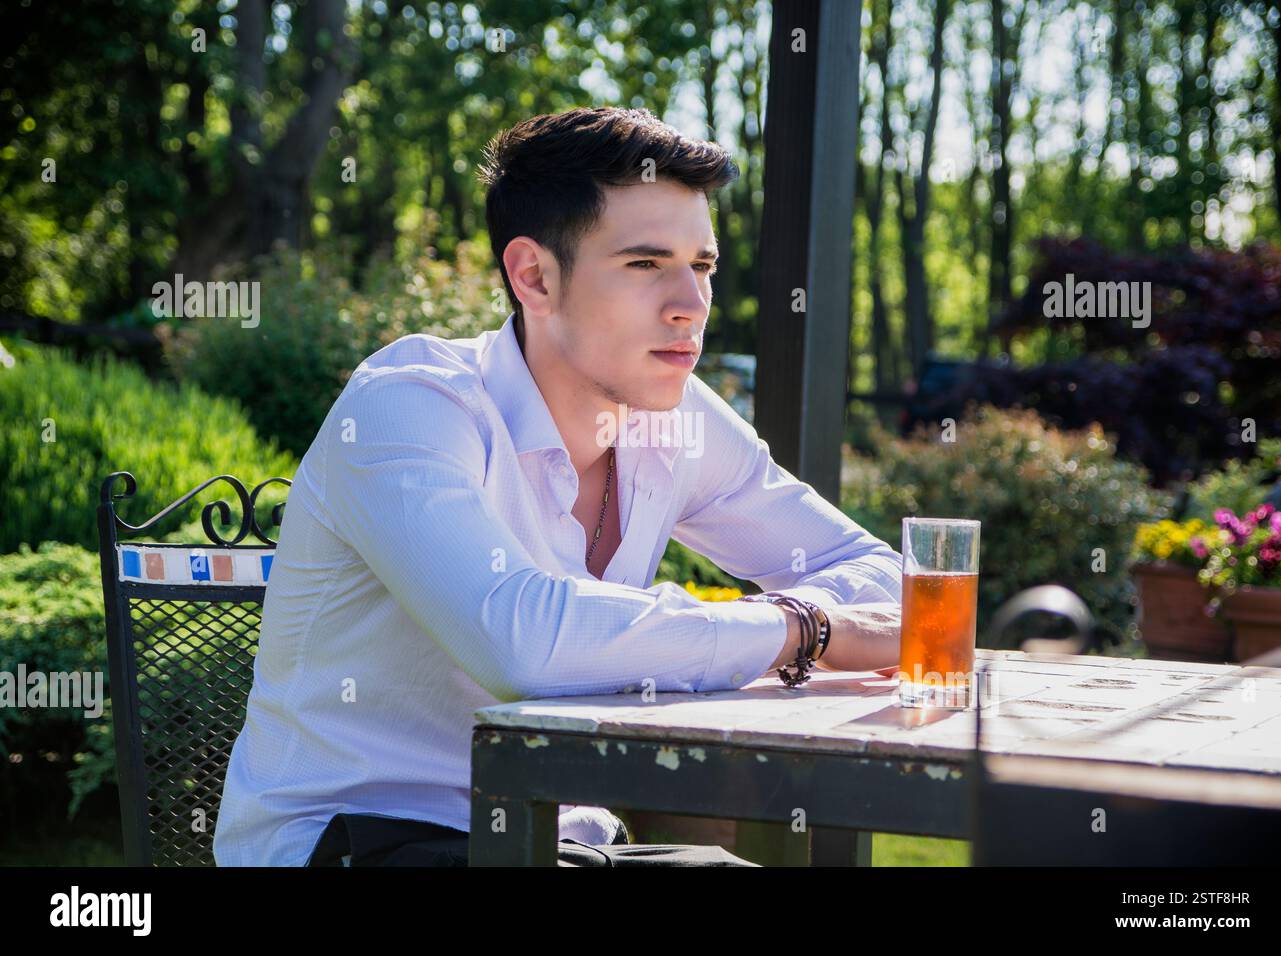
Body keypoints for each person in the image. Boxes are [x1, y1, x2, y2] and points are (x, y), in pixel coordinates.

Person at [214, 106, 904, 868]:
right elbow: (522, 640)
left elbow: (885, 576)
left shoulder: (674, 419)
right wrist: (804, 631)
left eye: (702, 266)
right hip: (363, 843)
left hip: (562, 840)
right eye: (646, 264)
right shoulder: (410, 402)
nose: (691, 303)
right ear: (534, 277)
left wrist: (804, 625)